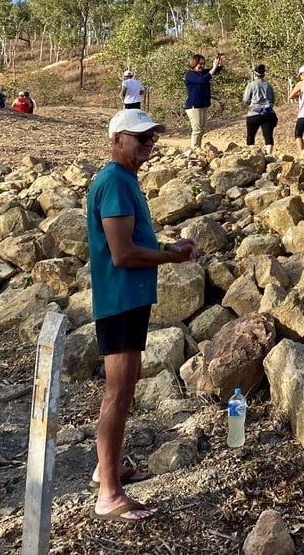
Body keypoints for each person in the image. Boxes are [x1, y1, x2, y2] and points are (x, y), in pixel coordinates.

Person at [87, 109, 199, 522]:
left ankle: (107, 469)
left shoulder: (123, 180)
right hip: (118, 300)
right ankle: (109, 495)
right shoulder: (114, 182)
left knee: (126, 387)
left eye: (151, 138)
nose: (148, 144)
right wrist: (170, 258)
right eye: (140, 138)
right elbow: (123, 253)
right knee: (117, 393)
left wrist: (170, 246)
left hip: (129, 299)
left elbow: (135, 240)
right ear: (117, 139)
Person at [184, 52, 224, 153]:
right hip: (194, 106)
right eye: (199, 64)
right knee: (197, 129)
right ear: (194, 63)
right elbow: (202, 80)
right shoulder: (190, 74)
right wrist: (213, 69)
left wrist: (218, 60)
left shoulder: (202, 73)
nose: (202, 66)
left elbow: (217, 69)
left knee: (201, 129)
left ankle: (198, 148)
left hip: (203, 105)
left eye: (203, 64)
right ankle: (194, 148)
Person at [242, 64, 278, 154]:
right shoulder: (269, 86)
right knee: (268, 135)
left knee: (250, 135)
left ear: (255, 74)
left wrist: (251, 105)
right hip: (268, 113)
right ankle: (269, 154)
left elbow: (246, 99)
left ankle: (251, 154)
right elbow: (273, 100)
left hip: (254, 113)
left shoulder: (251, 85)